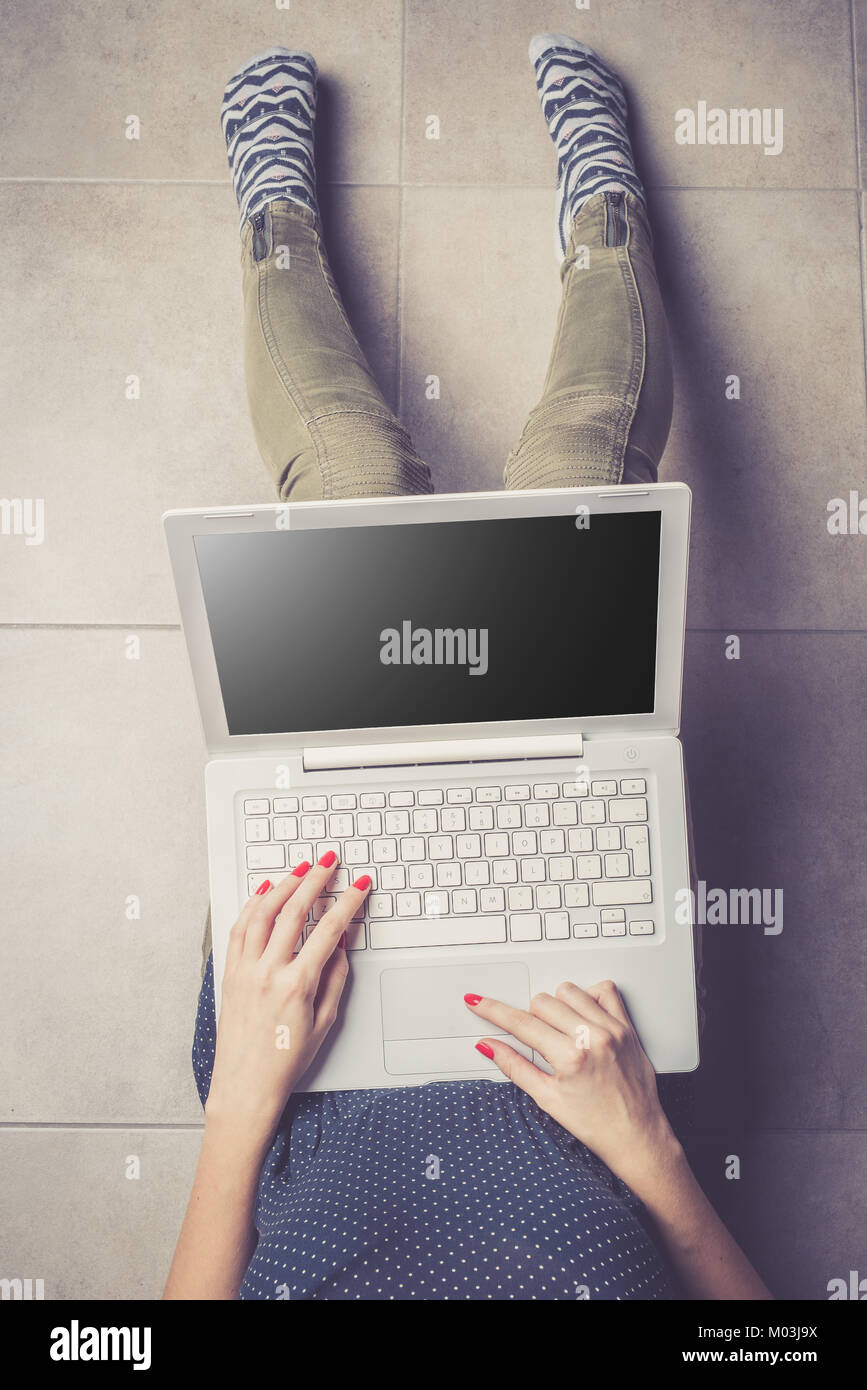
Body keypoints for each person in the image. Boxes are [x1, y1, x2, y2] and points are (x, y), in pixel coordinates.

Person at [164, 36, 770, 1301]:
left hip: (299, 1063)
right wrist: (649, 1147)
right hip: (579, 1056)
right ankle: (603, 209)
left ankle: (274, 204)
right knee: (580, 481)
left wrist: (239, 1106)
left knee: (347, 483)